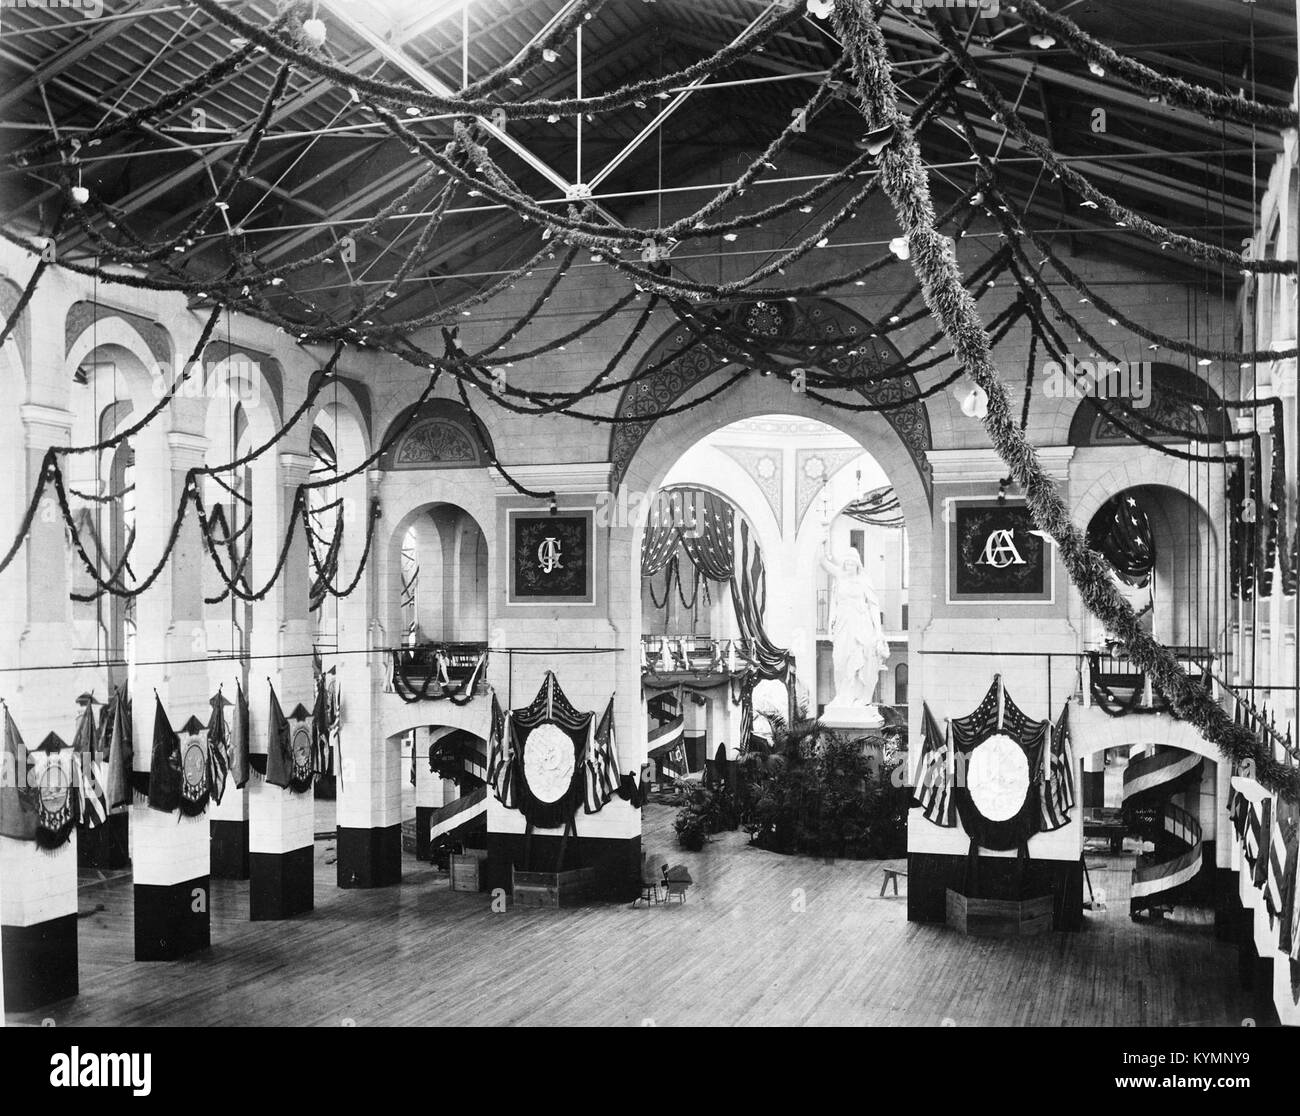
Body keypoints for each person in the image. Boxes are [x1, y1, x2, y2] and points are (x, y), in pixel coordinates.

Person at [818, 540, 890, 708]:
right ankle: (842, 695)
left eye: (852, 562)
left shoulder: (865, 581)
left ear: (858, 564)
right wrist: (823, 541)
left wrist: (878, 632)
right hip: (843, 625)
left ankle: (857, 696)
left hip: (860, 625)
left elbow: (873, 606)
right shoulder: (840, 576)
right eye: (847, 562)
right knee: (839, 660)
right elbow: (823, 562)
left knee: (858, 659)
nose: (849, 565)